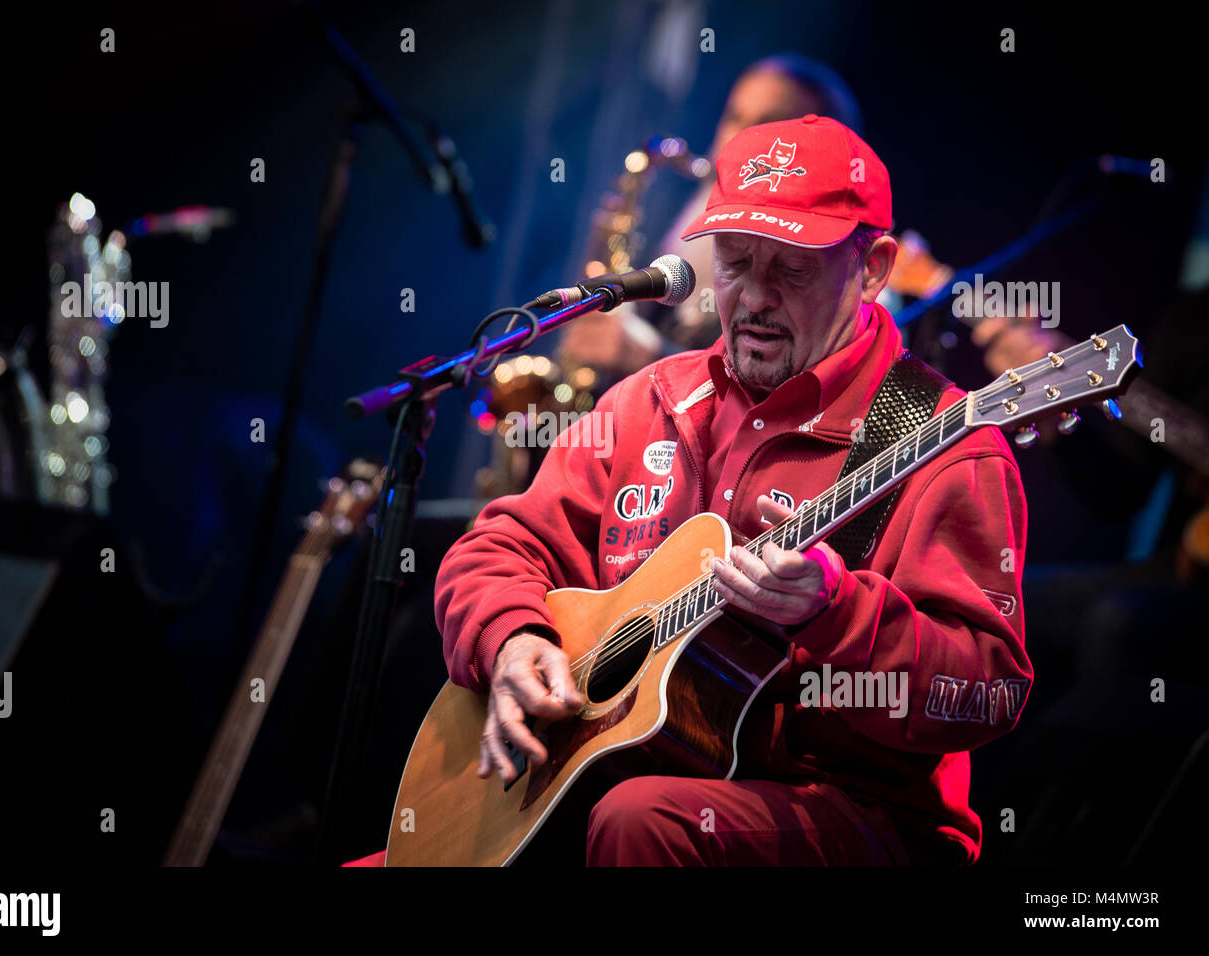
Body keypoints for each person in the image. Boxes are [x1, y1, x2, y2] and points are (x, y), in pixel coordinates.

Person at [431, 115, 1033, 866]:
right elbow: (497, 546)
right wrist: (511, 638)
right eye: (736, 261)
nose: (752, 297)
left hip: (860, 816)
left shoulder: (950, 445)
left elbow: (988, 692)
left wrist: (838, 613)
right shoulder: (648, 399)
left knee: (642, 821)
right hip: (642, 772)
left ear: (873, 267)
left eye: (791, 269)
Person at [560, 54, 864, 374]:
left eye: (764, 126)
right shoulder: (685, 199)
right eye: (734, 117)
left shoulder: (826, 259)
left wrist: (650, 356)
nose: (735, 140)